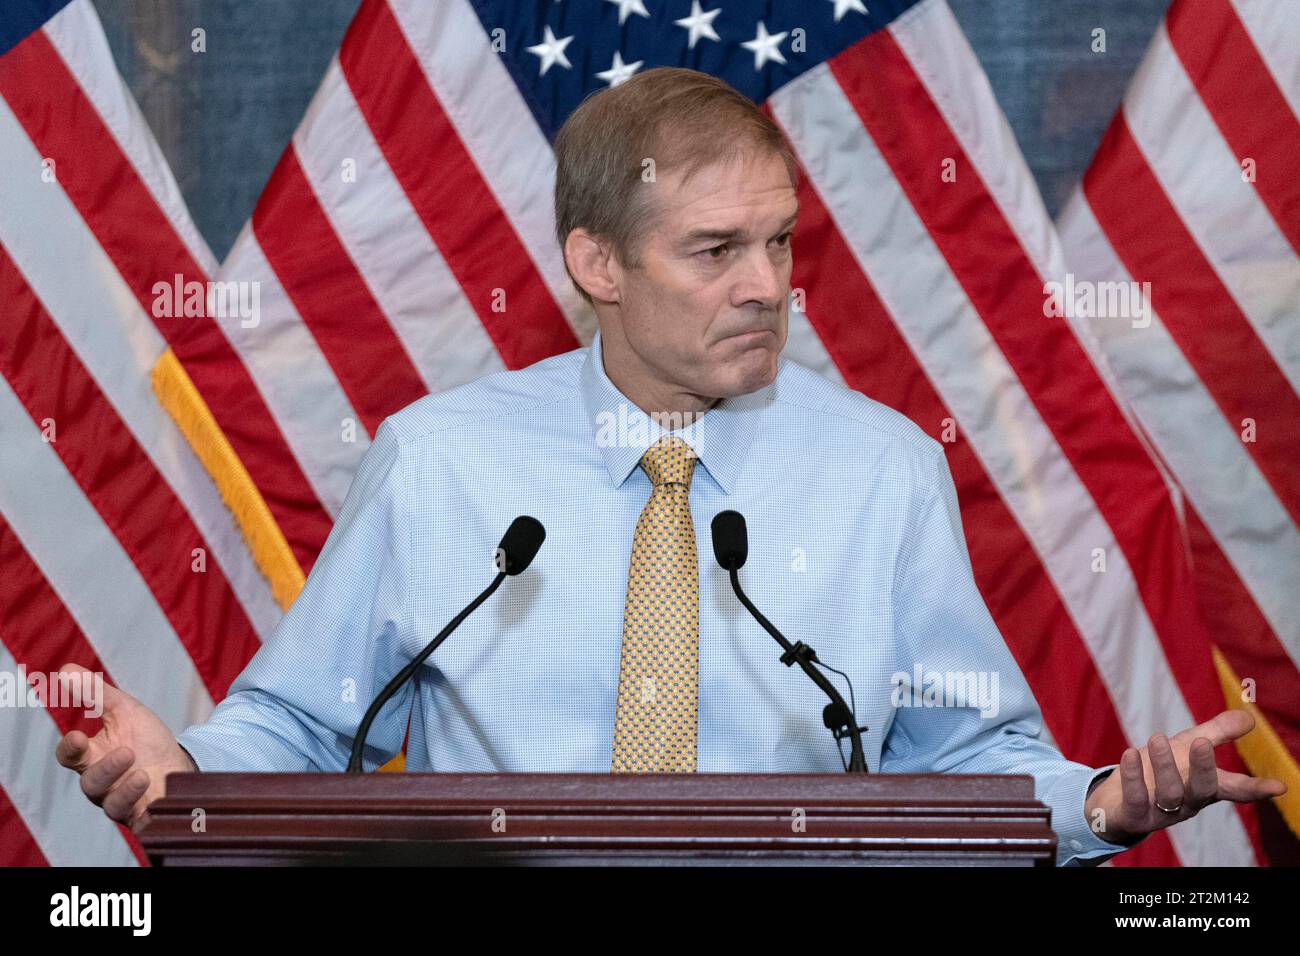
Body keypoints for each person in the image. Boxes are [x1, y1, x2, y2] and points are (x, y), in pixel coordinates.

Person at [56, 67, 1283, 865]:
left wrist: (1103, 803)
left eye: (780, 239)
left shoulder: (883, 471)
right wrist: (190, 768)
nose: (768, 284)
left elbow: (959, 757)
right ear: (598, 265)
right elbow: (301, 721)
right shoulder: (439, 462)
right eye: (714, 250)